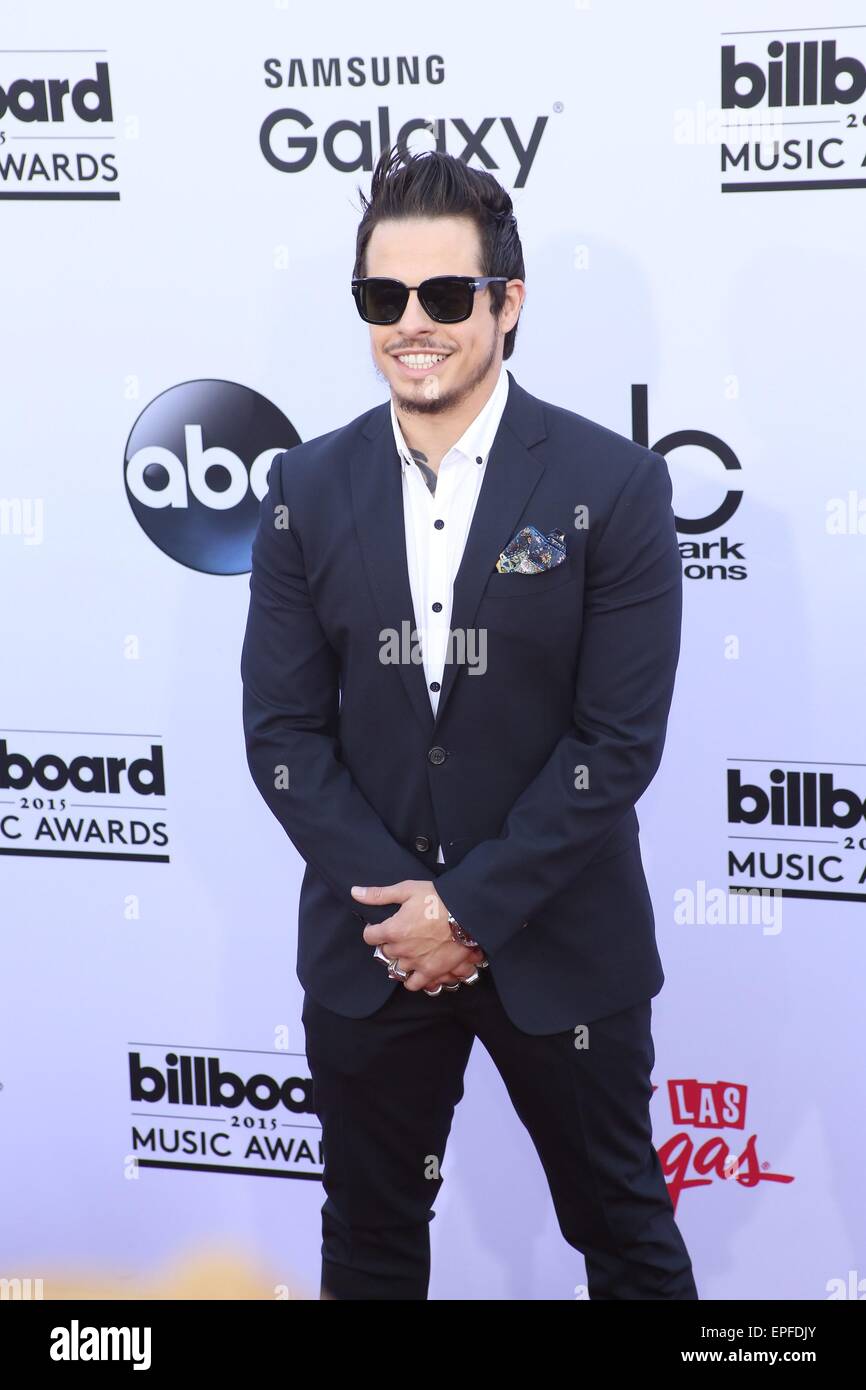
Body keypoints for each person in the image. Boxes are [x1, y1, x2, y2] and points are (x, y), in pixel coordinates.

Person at [240, 144, 697, 1301]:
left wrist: (469, 910)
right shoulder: (303, 487)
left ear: (506, 303)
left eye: (445, 295)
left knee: (626, 1240)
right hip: (372, 945)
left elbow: (615, 742)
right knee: (372, 1249)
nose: (412, 324)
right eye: (380, 298)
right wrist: (409, 913)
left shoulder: (616, 484)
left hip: (561, 944)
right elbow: (283, 734)